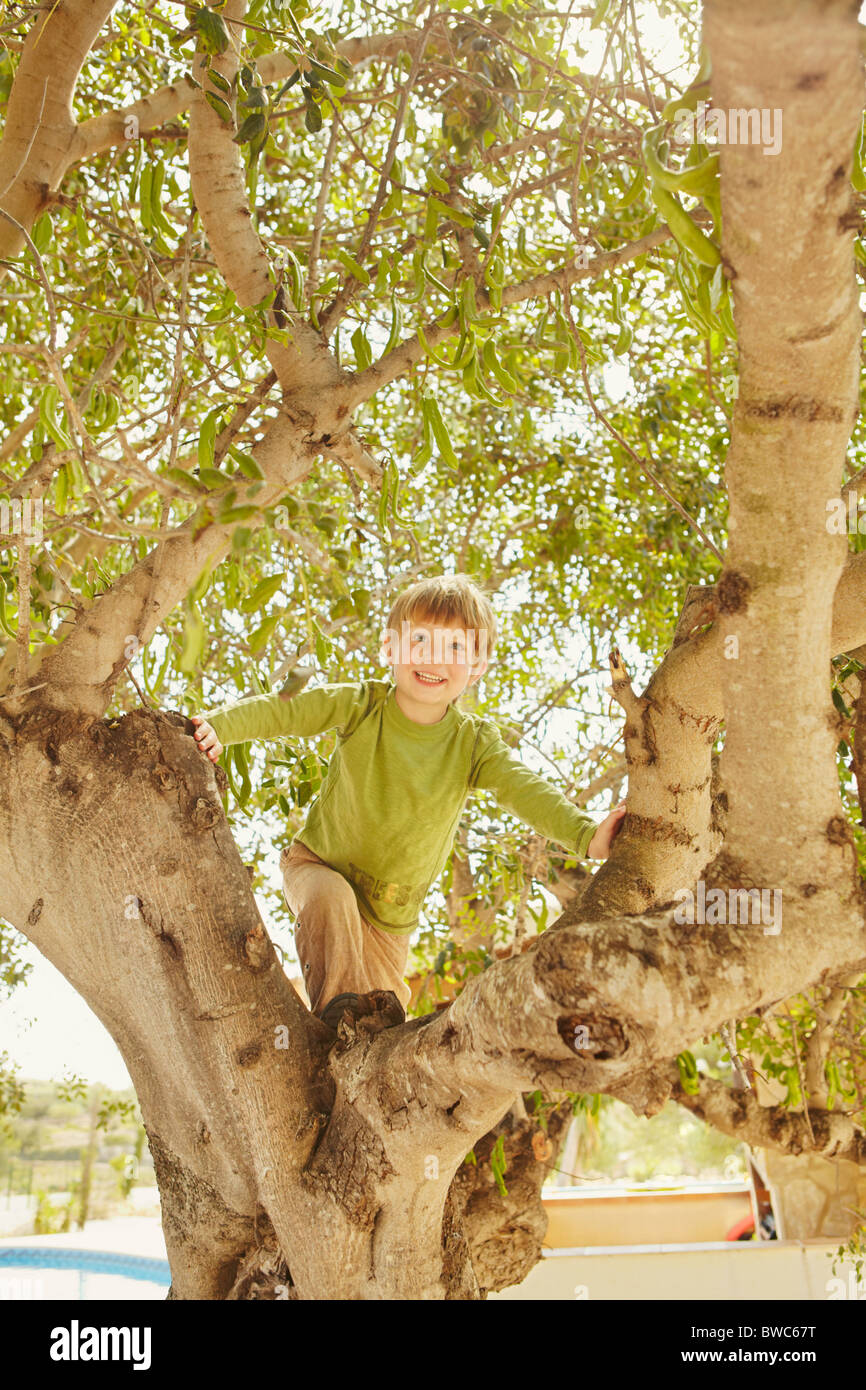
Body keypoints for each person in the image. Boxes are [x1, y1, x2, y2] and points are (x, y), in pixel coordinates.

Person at [191, 574, 626, 1032]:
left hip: (389, 919)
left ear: (477, 665)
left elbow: (523, 788)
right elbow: (285, 711)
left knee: (383, 1014)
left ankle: (354, 1050)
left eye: (456, 648)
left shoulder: (472, 743)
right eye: (420, 639)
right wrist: (220, 726)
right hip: (317, 866)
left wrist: (586, 835)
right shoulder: (361, 706)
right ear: (389, 649)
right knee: (332, 912)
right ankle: (333, 1022)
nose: (435, 658)